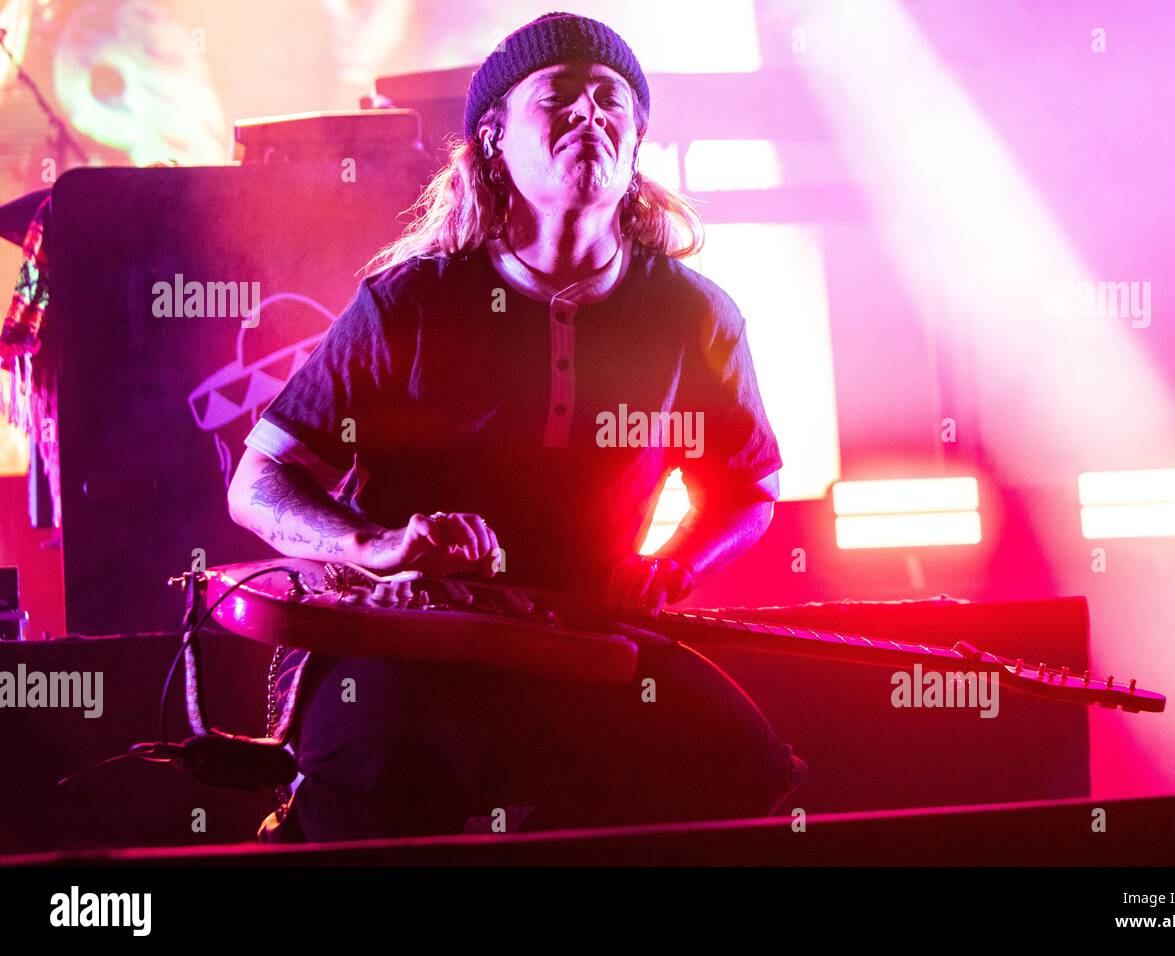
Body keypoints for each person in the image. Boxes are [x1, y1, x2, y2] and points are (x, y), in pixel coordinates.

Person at [227, 11, 806, 840]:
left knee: (735, 765)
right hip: (410, 638)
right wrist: (371, 548)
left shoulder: (694, 315)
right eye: (559, 97)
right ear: (493, 139)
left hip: (590, 637)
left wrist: (671, 567)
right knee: (374, 780)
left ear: (637, 139)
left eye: (611, 100)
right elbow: (257, 483)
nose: (589, 117)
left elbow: (749, 486)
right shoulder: (410, 303)